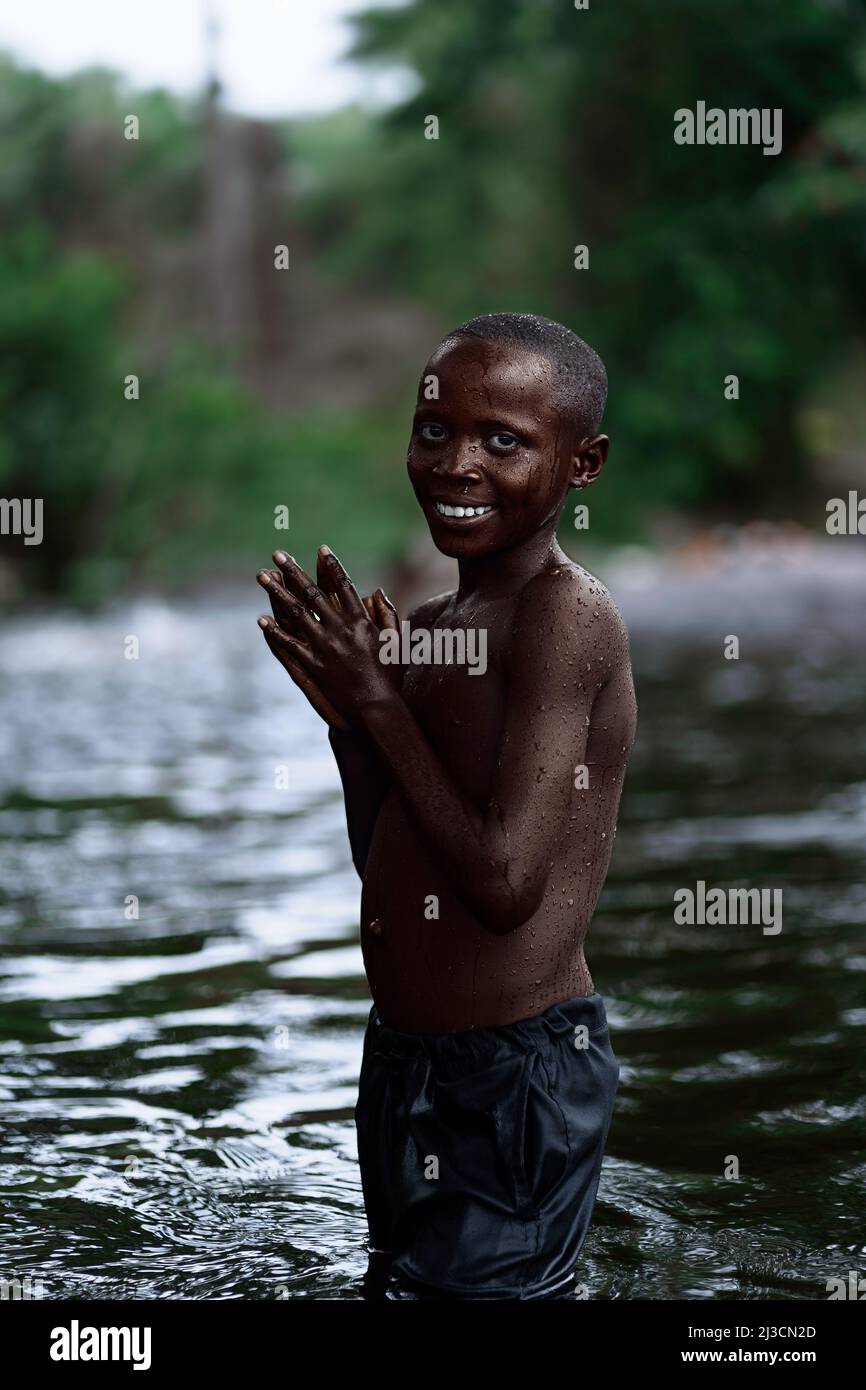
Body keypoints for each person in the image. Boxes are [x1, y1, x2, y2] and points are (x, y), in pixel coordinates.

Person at [256, 312, 637, 1299]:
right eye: (434, 431)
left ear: (582, 463)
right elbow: (390, 862)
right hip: (405, 1060)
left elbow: (505, 882)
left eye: (502, 440)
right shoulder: (431, 628)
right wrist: (352, 725)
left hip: (516, 1076)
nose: (456, 463)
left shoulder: (563, 615)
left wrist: (384, 707)